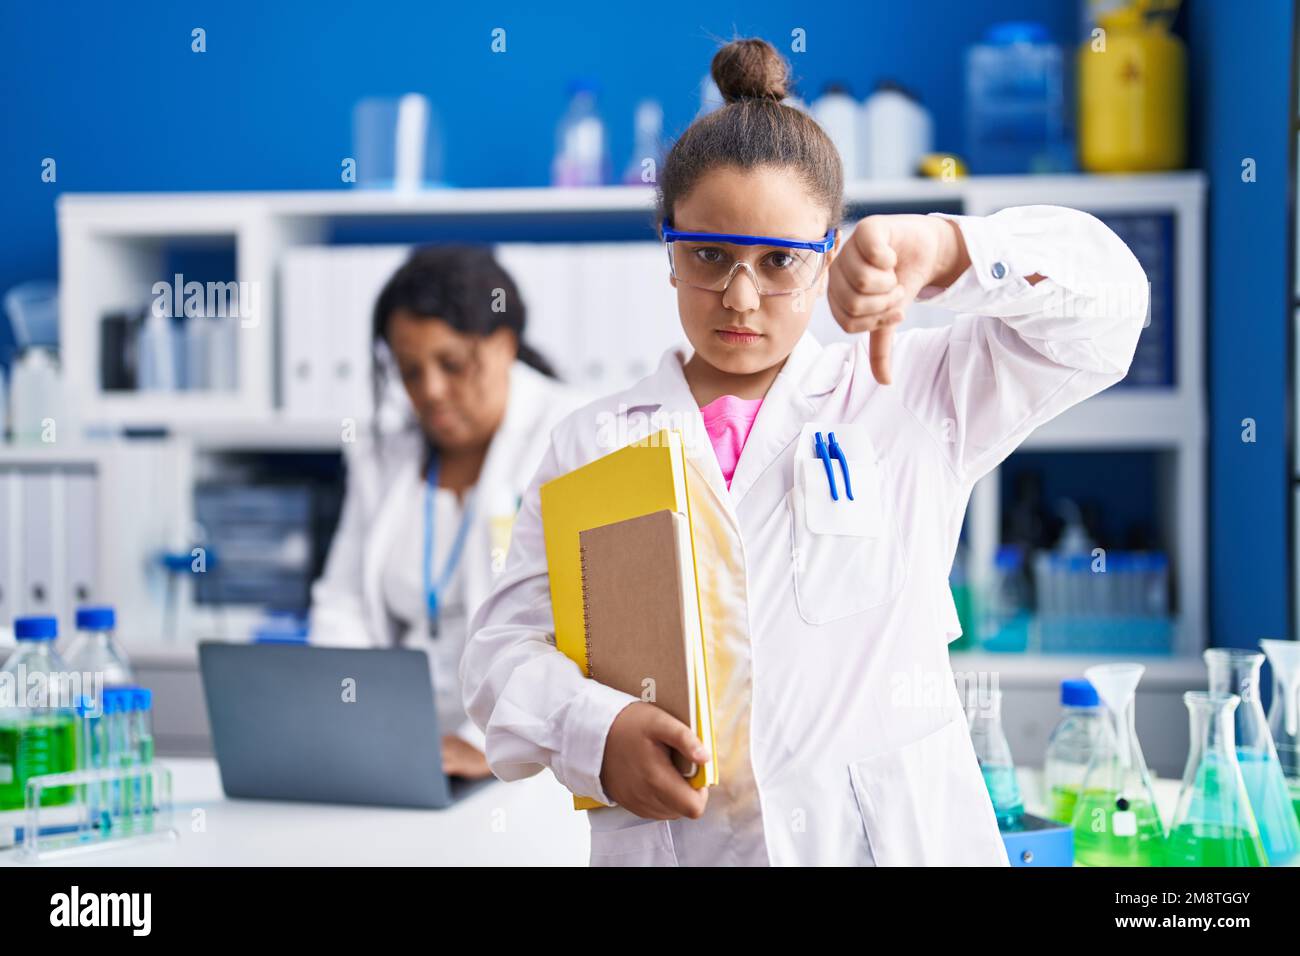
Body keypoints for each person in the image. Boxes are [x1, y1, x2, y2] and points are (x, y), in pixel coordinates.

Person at [462, 38, 1148, 863]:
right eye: (709, 255)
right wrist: (596, 733)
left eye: (781, 260)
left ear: (827, 258)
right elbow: (500, 653)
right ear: (669, 252)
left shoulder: (912, 391)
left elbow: (1112, 313)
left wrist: (950, 251)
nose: (741, 297)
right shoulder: (591, 440)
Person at [310, 246, 583, 778]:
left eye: (451, 365)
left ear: (503, 347)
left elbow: (578, 630)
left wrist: (484, 742)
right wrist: (343, 716)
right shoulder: (384, 457)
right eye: (410, 372)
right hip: (399, 745)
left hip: (529, 755)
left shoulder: (574, 438)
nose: (430, 391)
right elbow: (341, 606)